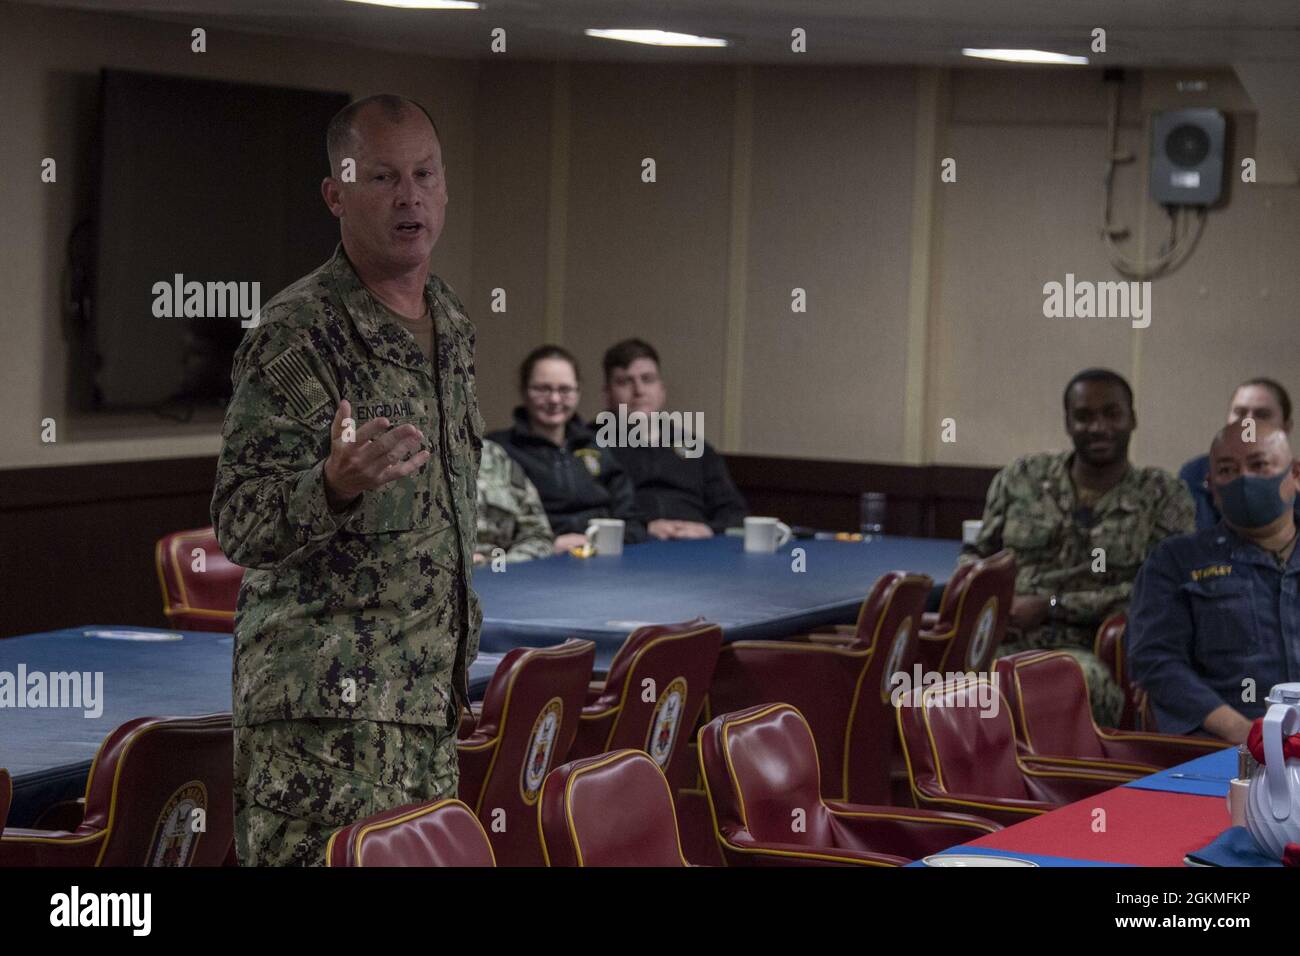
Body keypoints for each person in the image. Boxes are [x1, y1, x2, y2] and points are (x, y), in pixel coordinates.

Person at [212, 94, 482, 866]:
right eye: (385, 178)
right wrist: (329, 486)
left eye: (425, 174)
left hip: (427, 714)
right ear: (337, 194)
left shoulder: (453, 325)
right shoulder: (295, 332)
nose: (411, 197)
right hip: (322, 730)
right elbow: (242, 523)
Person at [961, 368, 1195, 726]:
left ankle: (1061, 781)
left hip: (1090, 647)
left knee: (1069, 682)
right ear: (1068, 422)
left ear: (1132, 419)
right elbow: (978, 556)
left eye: (1111, 414)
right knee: (937, 676)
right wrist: (989, 604)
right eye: (1084, 417)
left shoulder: (1161, 495)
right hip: (1002, 638)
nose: (1098, 427)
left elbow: (1160, 592)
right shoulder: (1022, 478)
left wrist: (1053, 606)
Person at [1129, 422, 1300, 742]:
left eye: (1259, 464)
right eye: (1227, 470)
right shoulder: (1176, 560)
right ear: (1211, 486)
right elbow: (1156, 662)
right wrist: (1245, 734)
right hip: (1221, 746)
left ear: (1295, 475)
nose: (1244, 479)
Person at [489, 345, 647, 552]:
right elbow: (489, 531)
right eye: (543, 389)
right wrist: (549, 545)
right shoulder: (498, 451)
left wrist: (599, 543)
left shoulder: (599, 446)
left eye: (565, 390)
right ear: (524, 391)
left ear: (578, 392)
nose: (554, 399)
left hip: (604, 562)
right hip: (535, 566)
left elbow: (633, 521)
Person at [601, 338, 748, 539]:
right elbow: (589, 513)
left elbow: (734, 512)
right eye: (625, 381)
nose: (639, 390)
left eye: (648, 379)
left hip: (697, 549)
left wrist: (708, 530)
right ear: (607, 394)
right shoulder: (590, 446)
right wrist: (643, 528)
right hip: (632, 548)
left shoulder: (696, 448)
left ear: (662, 390)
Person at [1178, 378, 1296, 529]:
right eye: (1240, 413)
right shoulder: (1195, 473)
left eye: (1262, 414)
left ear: (1286, 427)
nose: (1248, 423)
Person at [475, 438, 553, 564]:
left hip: (495, 574)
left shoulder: (494, 457)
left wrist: (498, 566)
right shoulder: (432, 461)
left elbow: (538, 536)